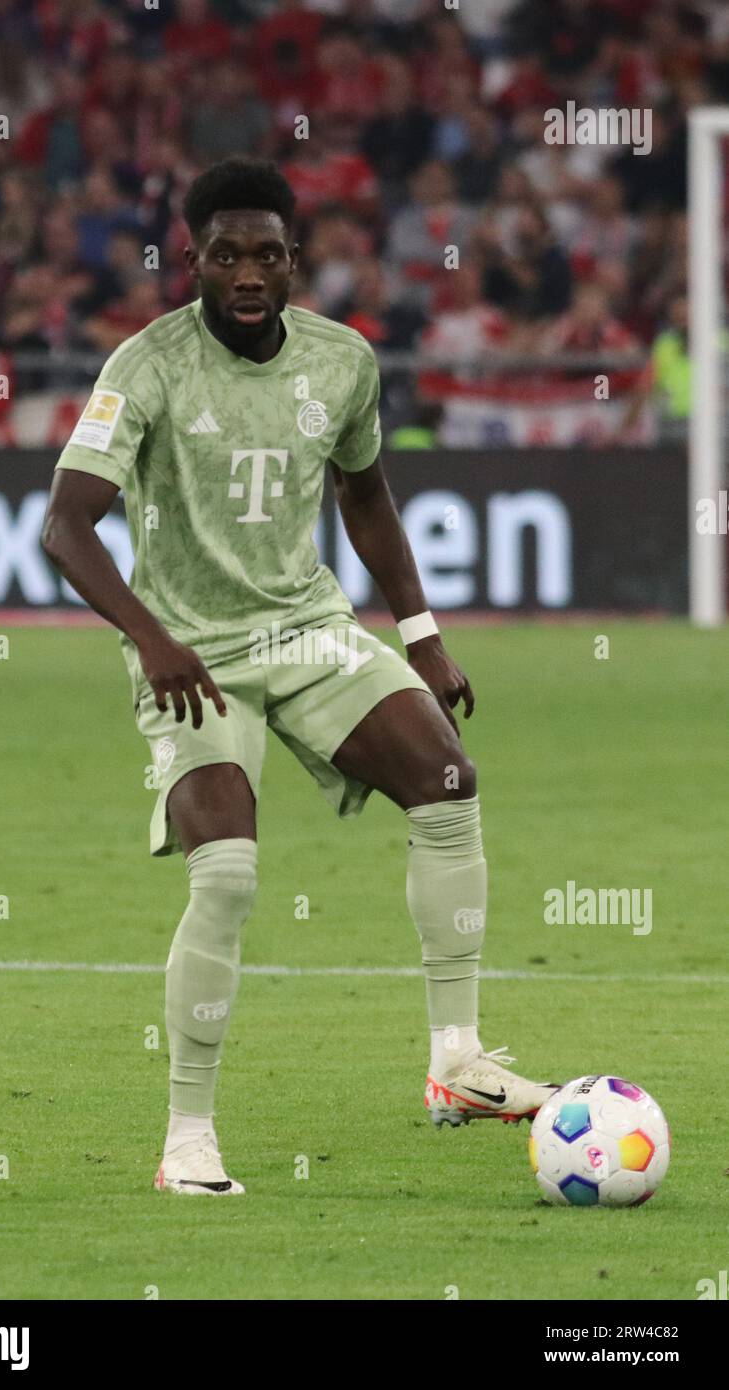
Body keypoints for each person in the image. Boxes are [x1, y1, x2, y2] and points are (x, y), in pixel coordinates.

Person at [41, 157, 557, 1196]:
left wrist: (418, 631)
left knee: (448, 782)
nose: (245, 272)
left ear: (292, 262)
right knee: (226, 873)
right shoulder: (143, 368)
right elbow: (64, 525)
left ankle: (456, 1061)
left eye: (266, 254)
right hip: (193, 653)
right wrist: (149, 637)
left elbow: (365, 496)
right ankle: (188, 1137)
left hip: (305, 629)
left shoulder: (341, 362)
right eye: (224, 253)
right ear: (191, 259)